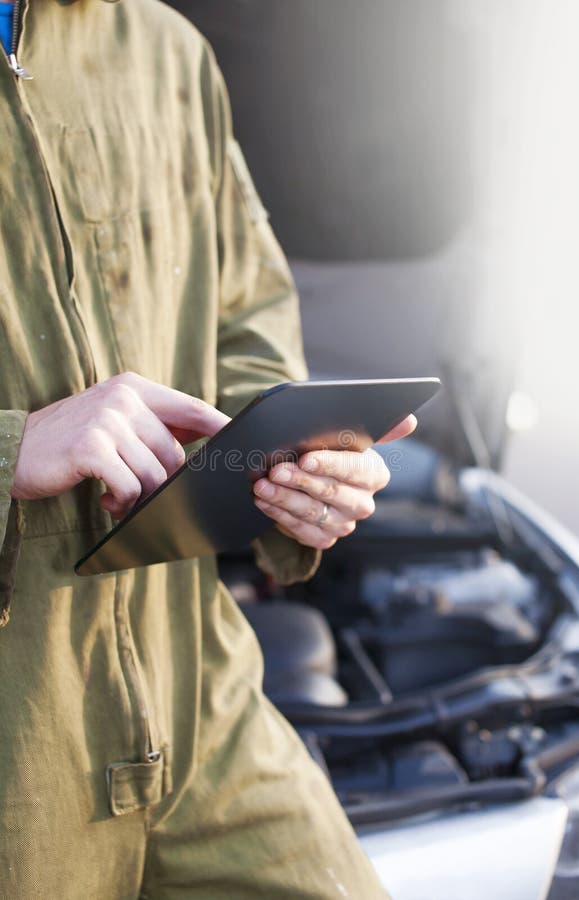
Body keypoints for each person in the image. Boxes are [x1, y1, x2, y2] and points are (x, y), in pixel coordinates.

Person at [0, 0, 415, 896]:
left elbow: (247, 319)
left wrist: (296, 469)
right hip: (18, 756)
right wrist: (13, 448)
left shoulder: (167, 51)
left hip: (196, 691)